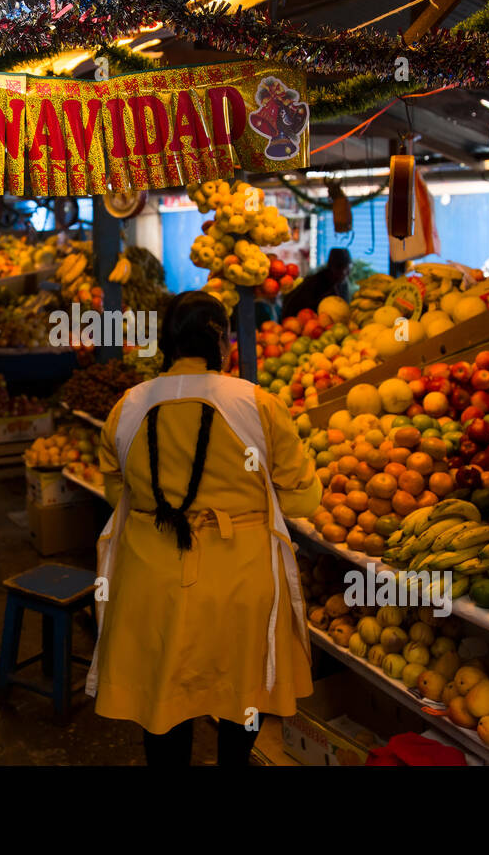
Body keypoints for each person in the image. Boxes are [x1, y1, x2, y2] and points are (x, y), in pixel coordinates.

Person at [89, 291, 322, 765]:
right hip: (240, 582)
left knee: (163, 705)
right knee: (244, 698)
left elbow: (117, 493)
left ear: (165, 343)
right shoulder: (257, 405)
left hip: (150, 583)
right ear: (223, 341)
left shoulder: (127, 408)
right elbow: (303, 499)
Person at [281, 247, 352, 319]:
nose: (345, 273)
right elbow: (291, 303)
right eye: (342, 269)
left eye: (348, 269)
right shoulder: (315, 282)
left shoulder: (343, 283)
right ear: (332, 268)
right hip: (301, 321)